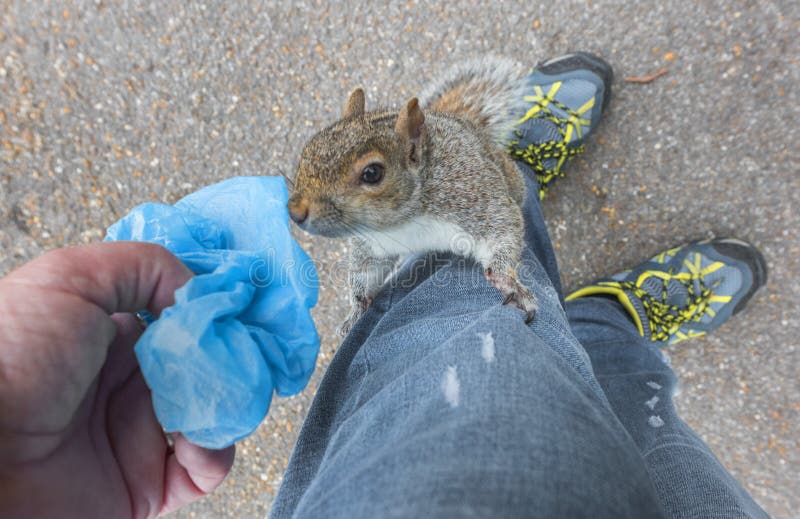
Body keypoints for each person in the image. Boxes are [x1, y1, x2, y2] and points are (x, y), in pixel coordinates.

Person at [0, 55, 769, 518]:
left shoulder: (440, 179)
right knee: (659, 451)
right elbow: (352, 236)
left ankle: (544, 217)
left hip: (454, 228)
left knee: (484, 271)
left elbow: (485, 227)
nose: (303, 214)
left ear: (407, 152)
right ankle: (611, 329)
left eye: (363, 178)